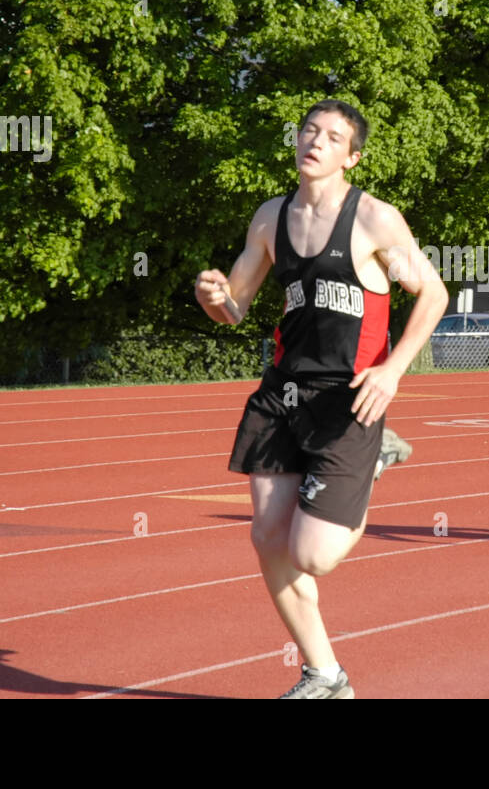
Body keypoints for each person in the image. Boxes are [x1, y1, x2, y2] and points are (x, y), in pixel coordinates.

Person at [195, 99, 448, 697]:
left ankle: (375, 457)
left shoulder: (376, 220)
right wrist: (212, 296)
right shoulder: (269, 218)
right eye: (310, 130)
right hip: (281, 394)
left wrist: (393, 370)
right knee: (266, 541)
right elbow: (234, 307)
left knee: (313, 557)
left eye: (333, 137)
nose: (316, 141)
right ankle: (324, 676)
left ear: (351, 157)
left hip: (350, 398)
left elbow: (432, 294)